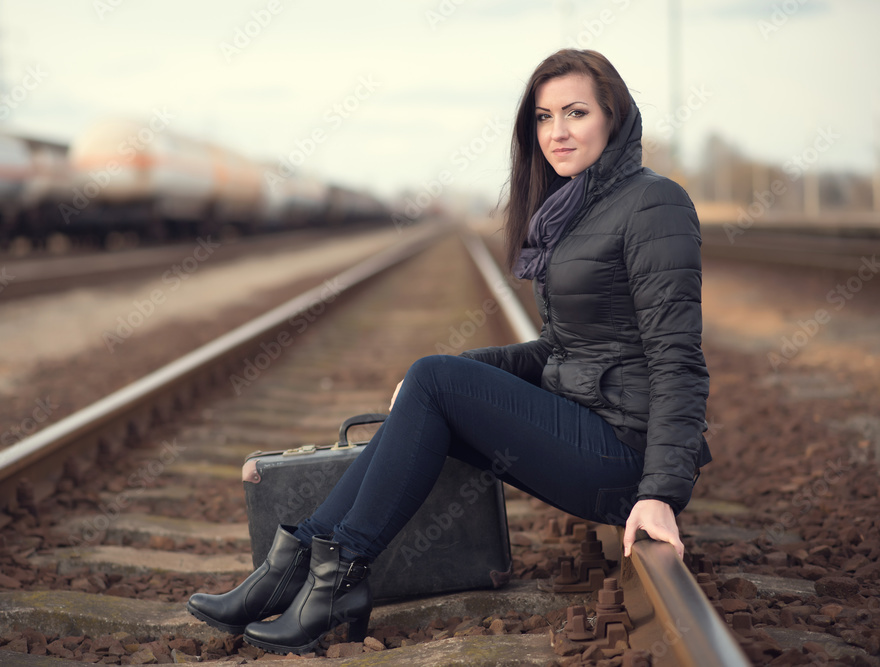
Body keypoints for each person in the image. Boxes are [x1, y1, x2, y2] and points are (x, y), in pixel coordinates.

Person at [187, 48, 710, 655]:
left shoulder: (655, 204)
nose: (557, 132)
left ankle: (329, 576)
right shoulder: (575, 207)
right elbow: (561, 349)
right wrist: (460, 375)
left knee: (434, 379)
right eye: (543, 117)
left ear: (614, 117)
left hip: (625, 453)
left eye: (575, 112)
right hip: (592, 426)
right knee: (431, 384)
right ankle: (300, 565)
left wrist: (661, 493)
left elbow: (678, 358)